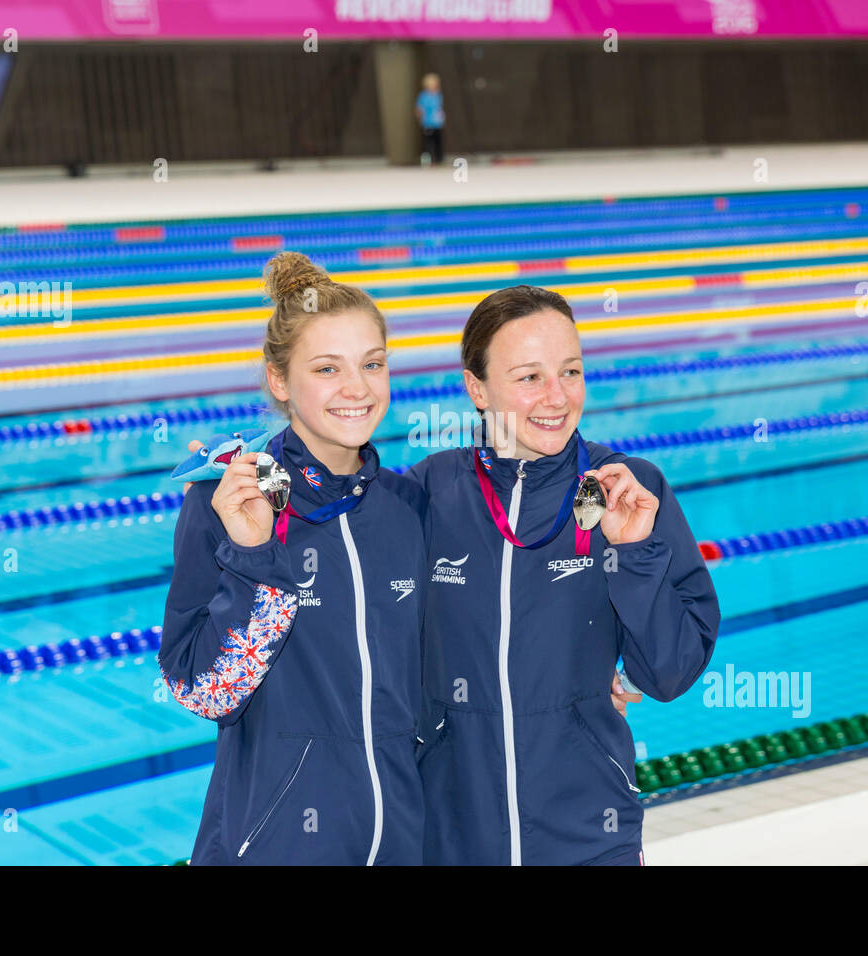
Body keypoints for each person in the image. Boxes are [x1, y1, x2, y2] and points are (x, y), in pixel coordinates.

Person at [408, 285, 721, 866]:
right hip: (448, 840)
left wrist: (635, 556)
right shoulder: (429, 493)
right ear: (477, 388)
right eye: (528, 377)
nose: (557, 397)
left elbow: (670, 673)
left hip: (590, 838)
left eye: (570, 371)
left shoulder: (628, 488)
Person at [158, 251, 429, 865]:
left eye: (372, 364)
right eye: (327, 368)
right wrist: (254, 556)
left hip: (402, 843)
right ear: (280, 381)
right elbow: (207, 693)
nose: (357, 388)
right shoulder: (225, 500)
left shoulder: (405, 506)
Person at [415, 73, 445, 166]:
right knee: (428, 143)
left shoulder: (438, 95)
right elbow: (419, 109)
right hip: (428, 123)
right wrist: (420, 119)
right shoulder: (423, 96)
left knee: (438, 142)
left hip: (438, 123)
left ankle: (439, 160)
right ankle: (428, 160)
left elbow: (439, 108)